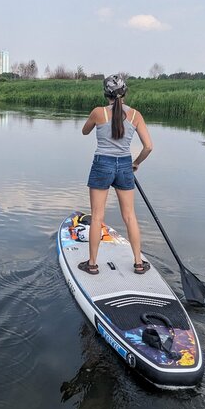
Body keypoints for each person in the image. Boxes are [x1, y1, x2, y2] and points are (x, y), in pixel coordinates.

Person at [79, 73, 153, 275]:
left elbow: (84, 131)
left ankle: (92, 265)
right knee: (130, 216)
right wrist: (136, 163)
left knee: (97, 217)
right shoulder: (136, 116)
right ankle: (138, 263)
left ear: (106, 94)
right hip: (124, 166)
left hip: (102, 164)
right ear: (125, 92)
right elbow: (148, 147)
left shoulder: (98, 112)